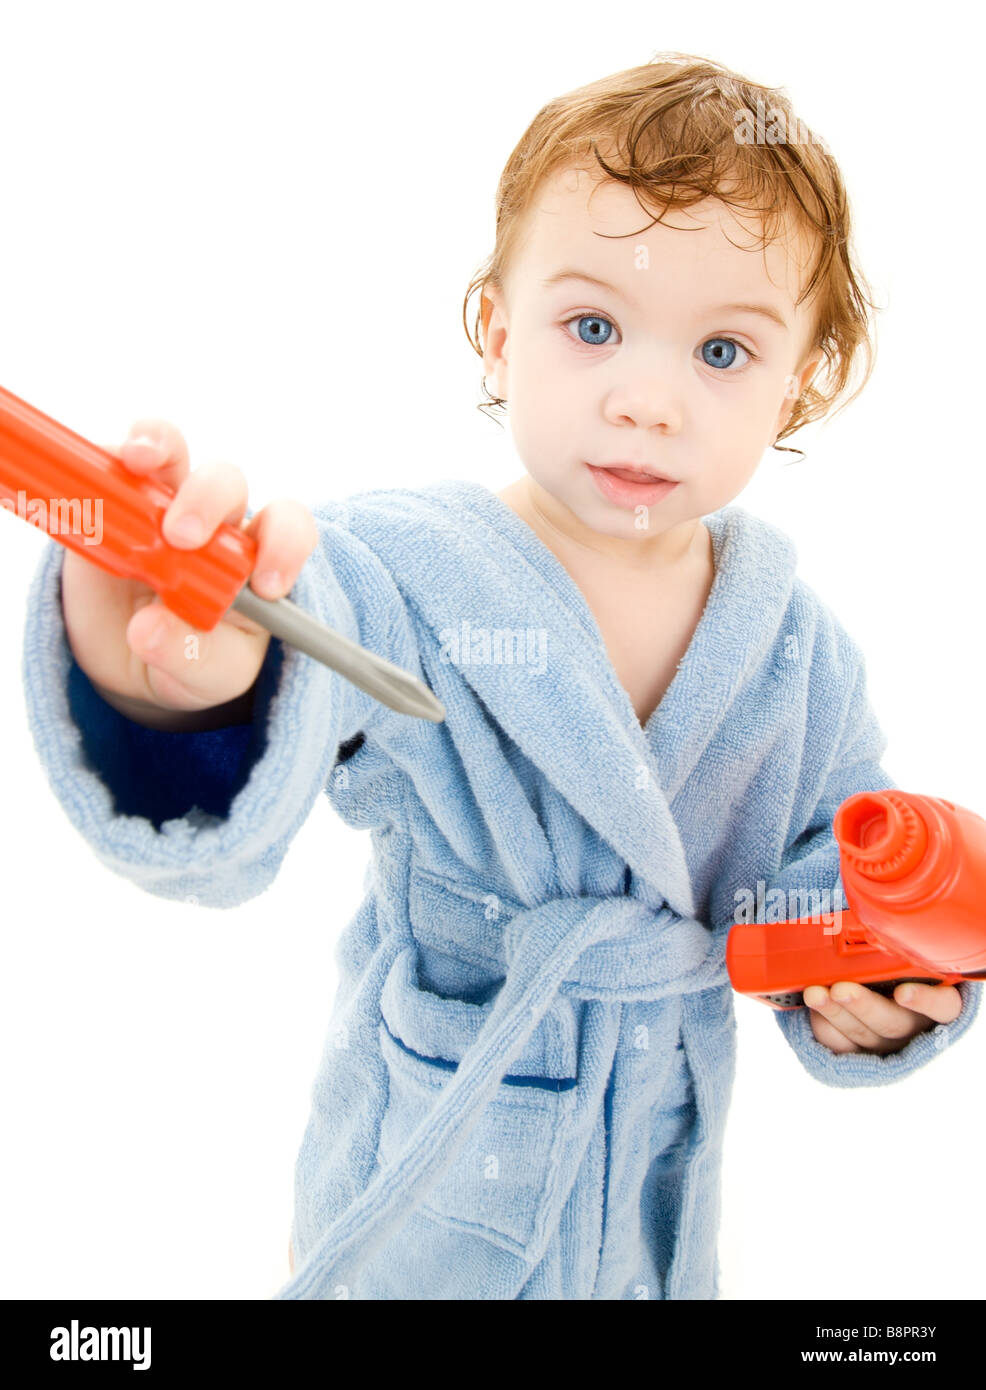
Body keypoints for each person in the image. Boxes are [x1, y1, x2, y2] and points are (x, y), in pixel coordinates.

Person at [21, 52, 980, 1300]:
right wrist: (171, 679)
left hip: (645, 1200)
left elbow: (809, 878)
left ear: (802, 377)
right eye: (591, 328)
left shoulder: (793, 648)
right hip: (434, 1164)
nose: (645, 399)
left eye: (723, 353)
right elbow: (289, 671)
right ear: (497, 333)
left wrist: (866, 976)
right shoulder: (409, 572)